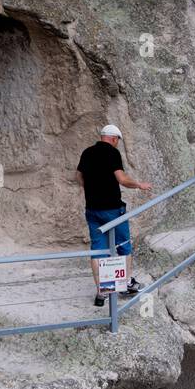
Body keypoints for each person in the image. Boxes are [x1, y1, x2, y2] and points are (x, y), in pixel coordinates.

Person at [76, 125, 152, 307]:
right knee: (124, 246)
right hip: (112, 210)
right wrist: (139, 185)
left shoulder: (87, 152)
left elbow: (78, 177)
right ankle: (125, 283)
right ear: (114, 139)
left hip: (92, 210)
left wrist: (90, 188)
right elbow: (122, 179)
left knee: (98, 251)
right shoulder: (112, 153)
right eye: (118, 141)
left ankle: (102, 292)